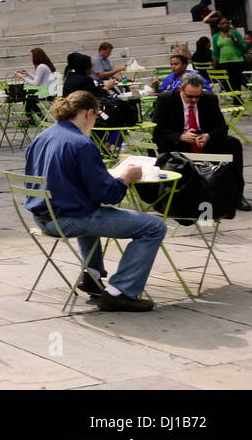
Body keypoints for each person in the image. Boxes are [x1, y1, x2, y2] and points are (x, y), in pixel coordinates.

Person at [23, 91, 166, 312]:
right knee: (155, 226)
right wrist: (126, 178)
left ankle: (93, 275)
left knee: (88, 209)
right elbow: (108, 195)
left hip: (41, 217)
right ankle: (120, 291)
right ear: (90, 113)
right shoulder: (82, 144)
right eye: (96, 117)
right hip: (68, 219)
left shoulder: (41, 137)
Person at [153, 74, 249, 211]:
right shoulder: (166, 99)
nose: (194, 100)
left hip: (203, 139)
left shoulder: (209, 99)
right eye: (190, 96)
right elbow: (158, 129)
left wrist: (208, 136)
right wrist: (180, 136)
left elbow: (222, 127)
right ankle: (173, 195)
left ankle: (237, 195)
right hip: (178, 141)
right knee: (165, 143)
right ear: (181, 90)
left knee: (233, 144)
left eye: (197, 96)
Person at [211, 17, 250, 93]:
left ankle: (237, 101)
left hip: (237, 61)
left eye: (227, 23)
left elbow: (244, 47)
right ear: (219, 25)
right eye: (223, 23)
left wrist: (234, 39)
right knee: (228, 83)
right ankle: (234, 99)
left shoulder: (235, 33)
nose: (225, 25)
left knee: (237, 82)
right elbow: (215, 53)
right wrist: (214, 67)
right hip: (224, 62)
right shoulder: (216, 36)